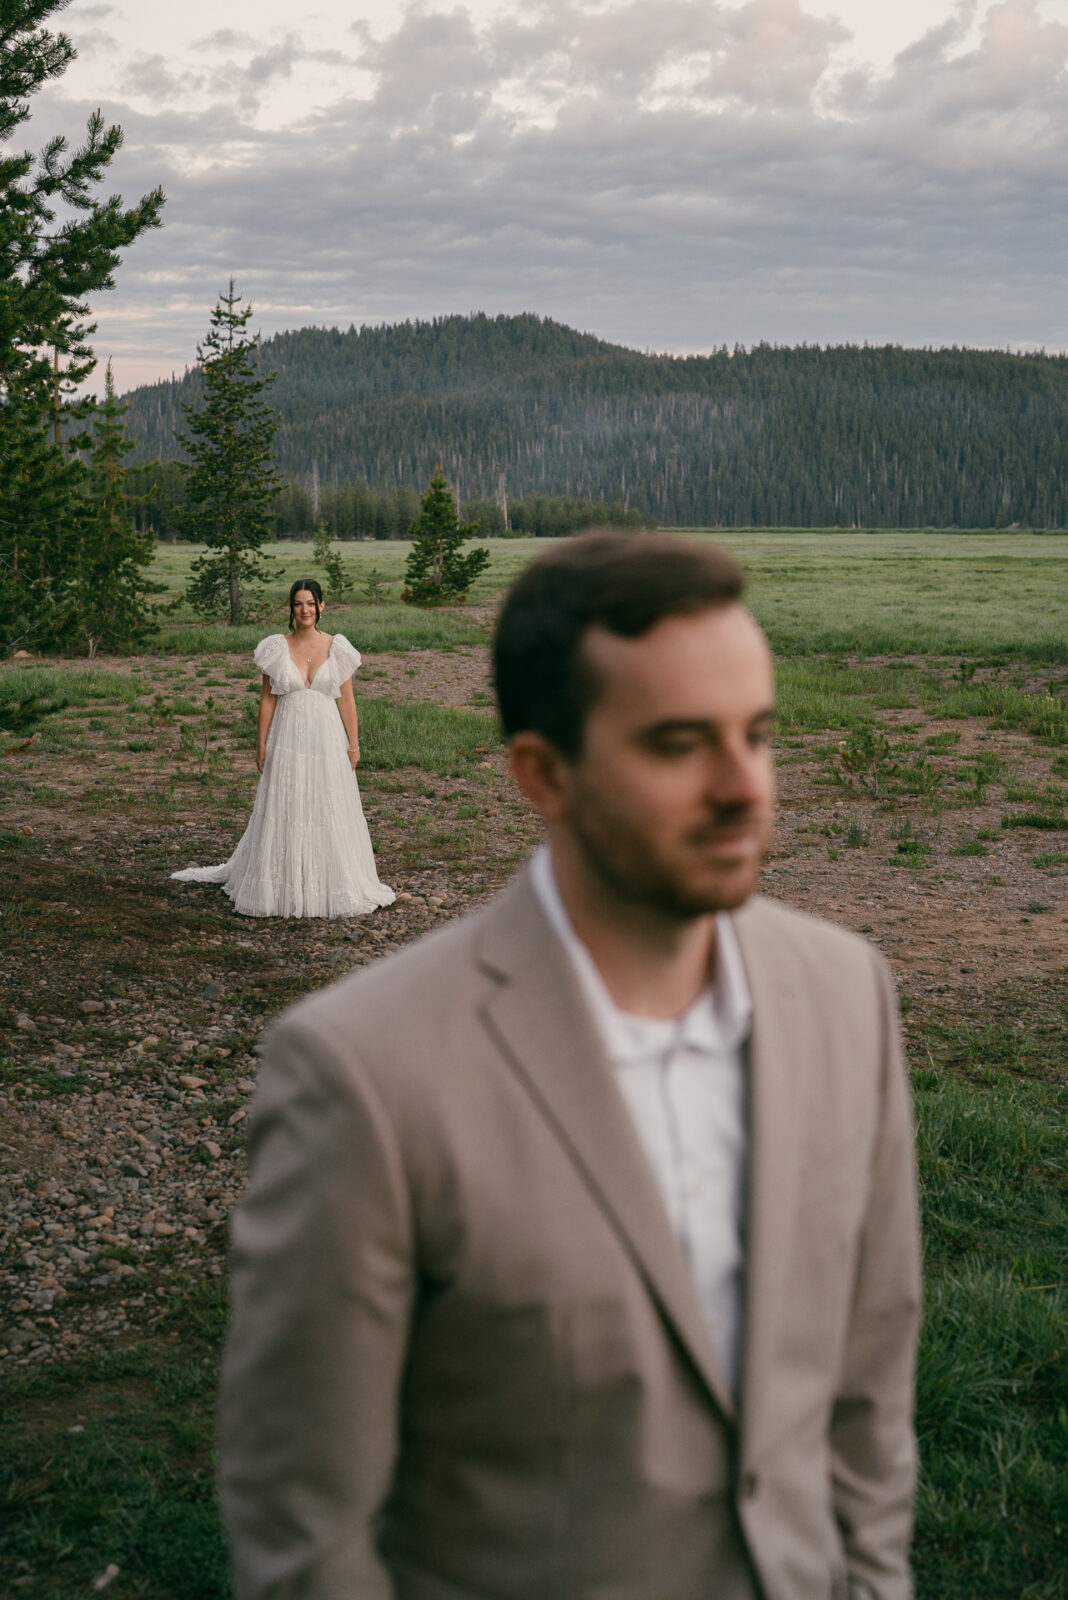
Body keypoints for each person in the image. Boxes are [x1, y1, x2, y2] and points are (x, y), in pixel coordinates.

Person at [218, 535, 921, 1599]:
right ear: (543, 774)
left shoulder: (846, 995)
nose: (746, 787)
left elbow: (870, 1380)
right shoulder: (363, 1072)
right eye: (680, 744)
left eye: (758, 734)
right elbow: (304, 1523)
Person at [171, 578, 394, 919]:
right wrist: (260, 744)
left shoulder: (337, 647)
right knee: (287, 802)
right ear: (291, 608)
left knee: (327, 803)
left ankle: (327, 881)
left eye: (311, 603)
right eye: (298, 604)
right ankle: (282, 883)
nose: (305, 610)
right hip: (287, 737)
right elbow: (267, 699)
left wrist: (354, 744)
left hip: (327, 738)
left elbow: (347, 699)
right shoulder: (277, 647)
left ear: (322, 606)